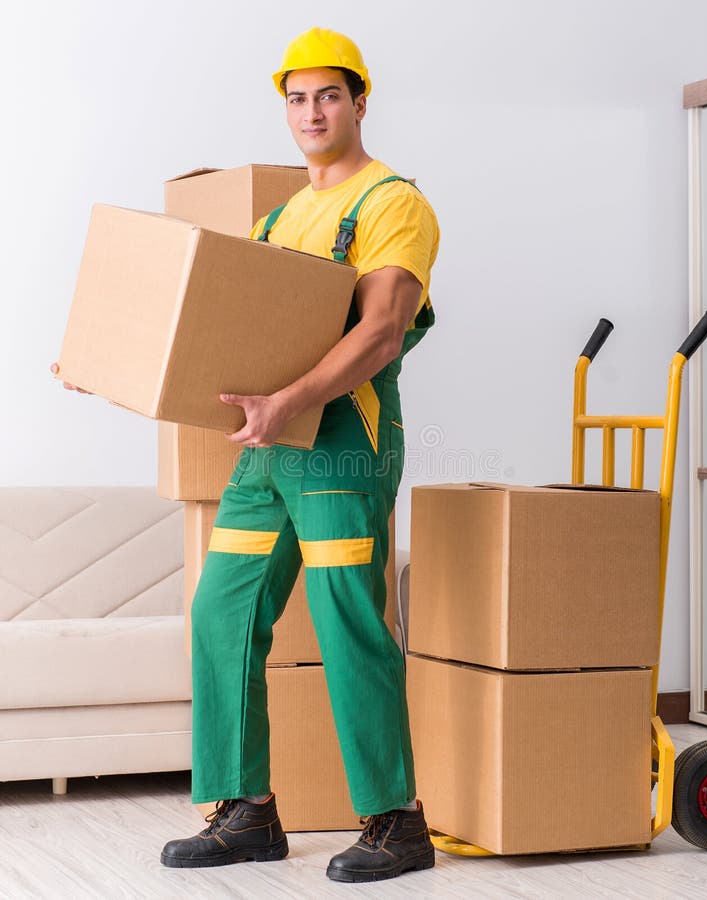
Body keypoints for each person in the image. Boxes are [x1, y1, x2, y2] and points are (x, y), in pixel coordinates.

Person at [55, 26, 440, 884]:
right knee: (222, 611)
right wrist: (108, 359)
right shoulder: (280, 217)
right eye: (297, 98)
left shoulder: (392, 203)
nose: (311, 111)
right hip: (268, 448)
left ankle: (396, 820)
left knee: (346, 620)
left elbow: (380, 331)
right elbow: (222, 329)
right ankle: (245, 811)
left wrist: (293, 402)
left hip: (342, 441)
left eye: (328, 95)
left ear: (360, 101)